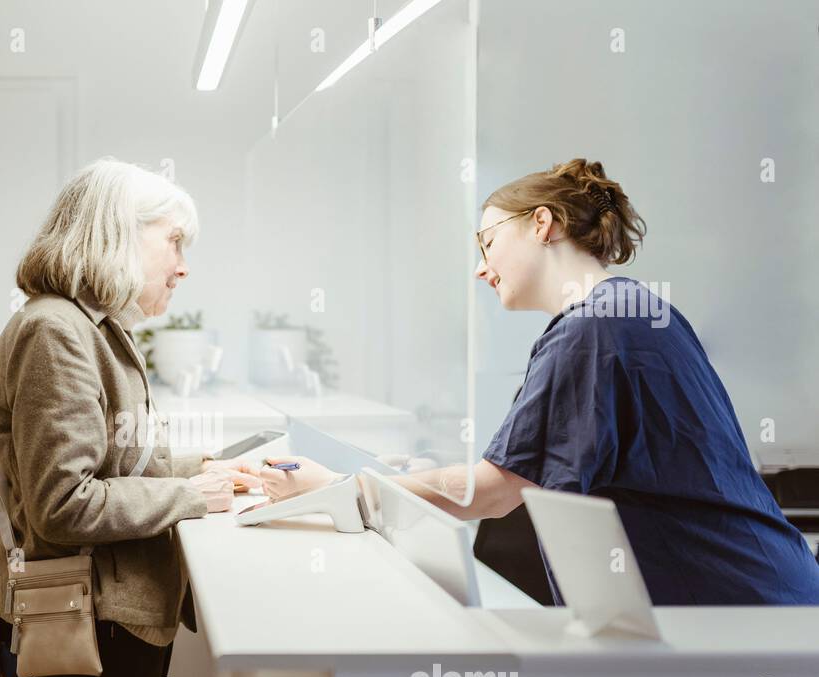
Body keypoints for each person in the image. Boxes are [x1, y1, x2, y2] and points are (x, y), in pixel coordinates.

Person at [261, 158, 819, 606]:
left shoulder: (594, 327)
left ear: (542, 223)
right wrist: (420, 474)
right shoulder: (631, 309)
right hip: (761, 594)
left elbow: (496, 489)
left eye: (486, 244)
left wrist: (338, 488)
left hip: (739, 610)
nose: (481, 268)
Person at [0, 157, 260, 677]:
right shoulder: (55, 332)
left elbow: (121, 463)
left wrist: (204, 470)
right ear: (118, 235)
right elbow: (64, 504)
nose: (183, 266)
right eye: (175, 242)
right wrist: (196, 497)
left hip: (118, 623)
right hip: (92, 629)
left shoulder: (93, 328)